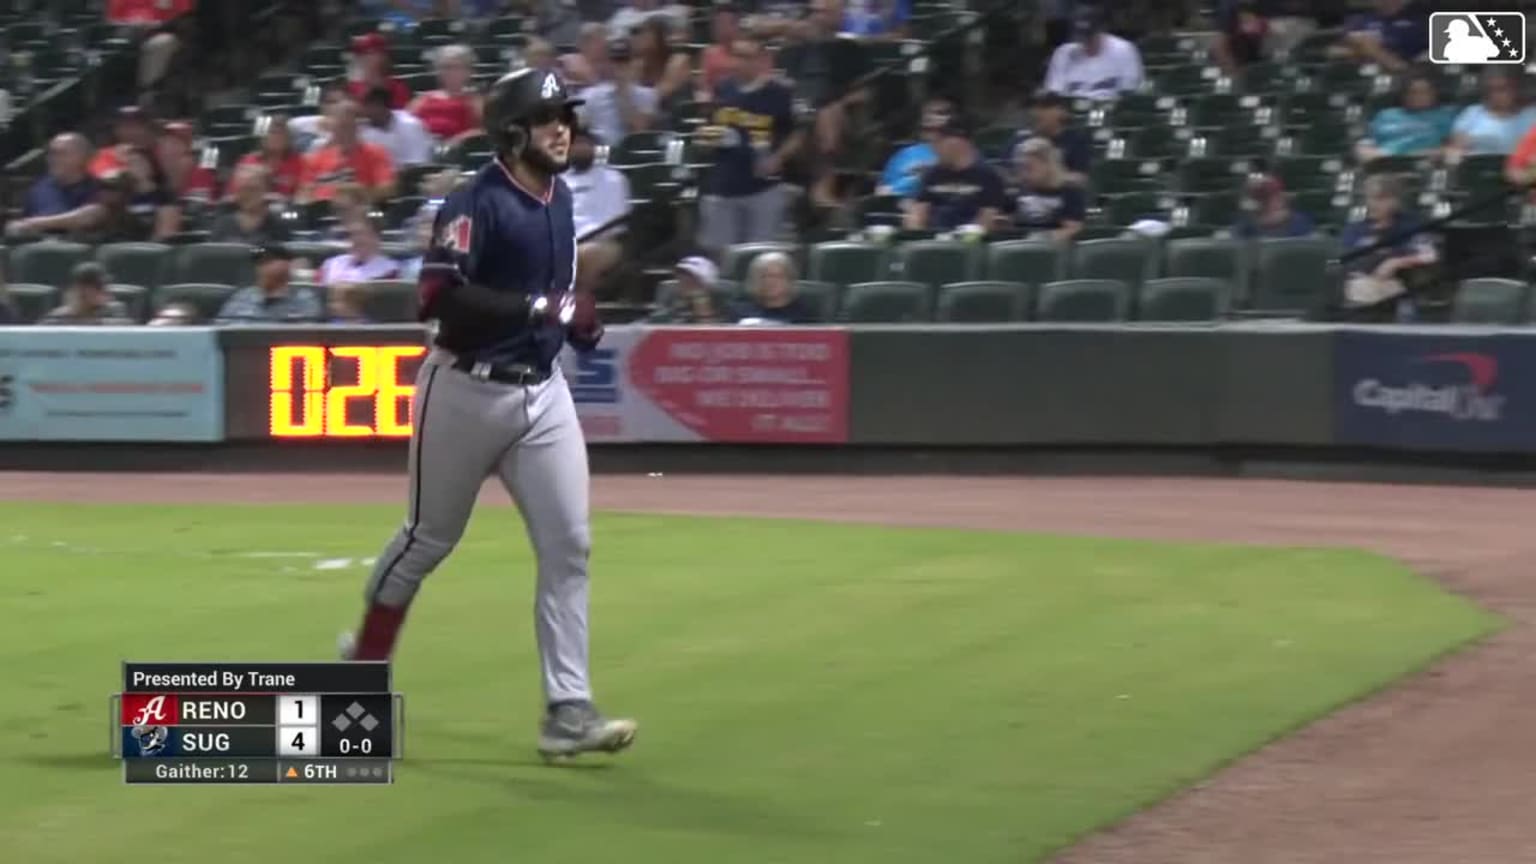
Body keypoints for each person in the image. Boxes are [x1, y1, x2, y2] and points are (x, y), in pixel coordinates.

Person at [340, 69, 635, 760]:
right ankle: (360, 674)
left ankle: (567, 710)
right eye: (546, 118)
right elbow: (438, 299)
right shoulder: (476, 202)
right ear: (512, 130)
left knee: (570, 547)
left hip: (542, 392)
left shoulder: (560, 199)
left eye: (565, 115)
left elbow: (551, 298)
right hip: (464, 390)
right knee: (426, 541)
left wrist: (572, 324)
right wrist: (544, 308)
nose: (562, 127)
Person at [698, 34, 802, 252]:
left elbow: (798, 134)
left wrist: (779, 158)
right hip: (724, 187)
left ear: (761, 59)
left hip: (762, 189)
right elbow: (708, 130)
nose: (739, 62)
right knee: (719, 260)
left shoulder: (779, 93)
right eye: (736, 56)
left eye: (746, 57)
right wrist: (709, 139)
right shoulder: (723, 88)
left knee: (759, 259)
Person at [1338, 173, 1437, 311]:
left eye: (1381, 199)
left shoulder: (1411, 225)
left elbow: (1429, 256)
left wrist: (1395, 263)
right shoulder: (1355, 229)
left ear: (1395, 201)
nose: (1373, 204)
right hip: (1356, 284)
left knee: (1367, 291)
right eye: (1370, 198)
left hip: (1395, 284)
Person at [904, 124, 1008, 232]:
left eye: (937, 144)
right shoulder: (932, 174)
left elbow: (988, 217)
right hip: (934, 237)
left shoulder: (988, 176)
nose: (934, 151)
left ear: (955, 144)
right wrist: (917, 234)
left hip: (970, 238)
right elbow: (918, 211)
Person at [565, 127, 631, 296]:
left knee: (586, 254)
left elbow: (616, 221)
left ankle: (580, 303)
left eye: (584, 144)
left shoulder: (613, 179)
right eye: (575, 144)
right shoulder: (555, 181)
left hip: (604, 242)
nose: (579, 148)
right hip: (565, 243)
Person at [297, 98, 397, 205]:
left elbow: (388, 189)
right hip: (322, 213)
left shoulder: (376, 153)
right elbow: (302, 194)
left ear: (358, 126)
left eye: (348, 125)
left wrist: (359, 191)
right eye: (340, 126)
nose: (343, 131)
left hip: (360, 210)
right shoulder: (318, 158)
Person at [9, 133, 105, 240]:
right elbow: (23, 221)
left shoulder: (98, 187)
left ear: (83, 156)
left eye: (62, 153)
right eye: (52, 154)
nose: (54, 159)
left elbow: (90, 216)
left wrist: (36, 223)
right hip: (40, 249)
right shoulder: (40, 188)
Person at [1043, 4, 1145, 102]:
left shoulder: (1124, 50)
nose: (1084, 40)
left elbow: (1130, 94)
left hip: (1111, 113)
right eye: (1081, 34)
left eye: (1089, 35)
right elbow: (1054, 95)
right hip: (1072, 114)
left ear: (1100, 29)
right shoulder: (1063, 53)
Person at [576, 38, 659, 149]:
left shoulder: (647, 95)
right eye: (615, 61)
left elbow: (639, 130)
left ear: (635, 63)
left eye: (625, 61)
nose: (619, 66)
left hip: (632, 154)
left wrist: (623, 90)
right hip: (600, 154)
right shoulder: (589, 95)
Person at [1356, 73, 1456, 163]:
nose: (1418, 96)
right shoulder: (1385, 115)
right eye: (1413, 92)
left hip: (1424, 164)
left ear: (1433, 94)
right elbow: (1366, 143)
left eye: (1423, 92)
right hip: (1386, 165)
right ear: (1404, 95)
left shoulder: (1445, 116)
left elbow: (1452, 147)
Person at [215, 244, 324, 324]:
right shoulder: (242, 297)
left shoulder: (304, 299)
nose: (262, 267)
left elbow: (308, 337)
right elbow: (220, 330)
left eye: (268, 261)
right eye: (259, 263)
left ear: (287, 265)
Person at [1008, 137, 1085, 243]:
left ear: (1048, 165)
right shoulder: (1021, 191)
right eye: (1021, 168)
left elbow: (1073, 230)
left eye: (1029, 168)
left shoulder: (1069, 193)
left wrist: (1041, 240)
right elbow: (1010, 222)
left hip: (1051, 253)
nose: (1023, 175)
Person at [1448, 71, 1536, 159]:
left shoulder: (1531, 114)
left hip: (1521, 167)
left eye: (1502, 89)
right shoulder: (1473, 113)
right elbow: (1456, 144)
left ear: (1515, 90)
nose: (1495, 95)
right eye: (1490, 90)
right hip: (1476, 166)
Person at [102, 146, 181, 242]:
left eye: (141, 163)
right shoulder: (120, 196)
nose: (138, 167)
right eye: (131, 164)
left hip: (150, 248)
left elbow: (166, 232)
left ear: (151, 165)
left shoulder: (165, 195)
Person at [409, 44, 484, 145]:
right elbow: (405, 125)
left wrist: (461, 139)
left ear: (468, 71)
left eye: (457, 67)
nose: (451, 72)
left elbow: (485, 130)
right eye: (446, 67)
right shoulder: (422, 100)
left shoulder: (476, 101)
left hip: (458, 152)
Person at [878, 97, 951, 198]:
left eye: (941, 113)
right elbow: (882, 191)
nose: (932, 118)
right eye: (928, 113)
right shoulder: (904, 155)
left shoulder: (963, 154)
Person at [1332, 0, 1428, 73]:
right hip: (1360, 74)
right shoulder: (1358, 20)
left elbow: (1419, 53)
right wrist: (1367, 49)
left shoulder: (1417, 22)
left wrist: (1367, 46)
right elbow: (1333, 51)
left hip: (1404, 76)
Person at [1019, 90, 1091, 187]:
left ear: (1061, 112)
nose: (1036, 112)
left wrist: (1048, 175)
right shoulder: (1020, 139)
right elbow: (1004, 171)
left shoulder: (1075, 141)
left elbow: (1081, 179)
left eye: (1044, 107)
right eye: (1033, 107)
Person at [211, 165, 292, 246]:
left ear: (266, 190)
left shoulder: (278, 227)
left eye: (252, 189)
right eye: (242, 189)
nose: (246, 195)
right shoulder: (223, 224)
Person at [229, 115, 306, 200]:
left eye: (280, 133)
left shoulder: (301, 162)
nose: (276, 137)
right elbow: (234, 195)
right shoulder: (247, 162)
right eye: (271, 132)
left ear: (288, 137)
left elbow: (304, 194)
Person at [360, 86, 436, 167]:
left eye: (369, 106)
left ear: (381, 106)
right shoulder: (365, 131)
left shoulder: (410, 125)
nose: (365, 112)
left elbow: (420, 162)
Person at [734, 251, 816, 324]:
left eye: (776, 276)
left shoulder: (804, 315)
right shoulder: (738, 311)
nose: (769, 282)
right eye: (763, 276)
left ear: (790, 280)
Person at [38, 263, 133, 325]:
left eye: (105, 286)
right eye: (98, 287)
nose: (105, 292)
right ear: (79, 290)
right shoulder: (57, 318)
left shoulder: (115, 312)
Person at [631, 17, 692, 112]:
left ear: (660, 37)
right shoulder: (638, 65)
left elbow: (659, 95)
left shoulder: (678, 61)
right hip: (647, 116)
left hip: (675, 114)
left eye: (645, 34)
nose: (639, 39)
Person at [319, 217, 401, 286]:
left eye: (363, 234)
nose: (357, 239)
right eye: (353, 234)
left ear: (377, 238)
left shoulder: (389, 270)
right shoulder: (332, 264)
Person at [1232, 174, 1315, 239]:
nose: (1265, 202)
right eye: (1261, 198)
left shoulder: (1299, 222)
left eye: (1272, 196)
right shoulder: (1246, 226)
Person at [650, 255, 728, 323]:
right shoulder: (668, 312)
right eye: (681, 277)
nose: (683, 282)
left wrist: (700, 300)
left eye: (691, 278)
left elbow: (709, 332)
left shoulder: (725, 308)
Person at [347, 32, 413, 110]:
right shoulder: (351, 88)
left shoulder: (398, 89)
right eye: (360, 55)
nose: (362, 59)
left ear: (383, 57)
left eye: (368, 53)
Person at [157, 123, 219, 204]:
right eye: (165, 141)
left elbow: (197, 209)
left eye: (174, 143)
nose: (168, 148)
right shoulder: (158, 171)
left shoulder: (200, 173)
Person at [89, 106, 159, 179]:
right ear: (115, 130)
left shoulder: (161, 150)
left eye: (137, 125)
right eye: (125, 126)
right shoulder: (104, 156)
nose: (132, 131)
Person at [699, 3, 741, 101]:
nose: (719, 28)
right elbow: (705, 86)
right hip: (717, 104)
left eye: (723, 23)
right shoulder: (709, 53)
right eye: (716, 23)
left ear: (736, 25)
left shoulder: (749, 53)